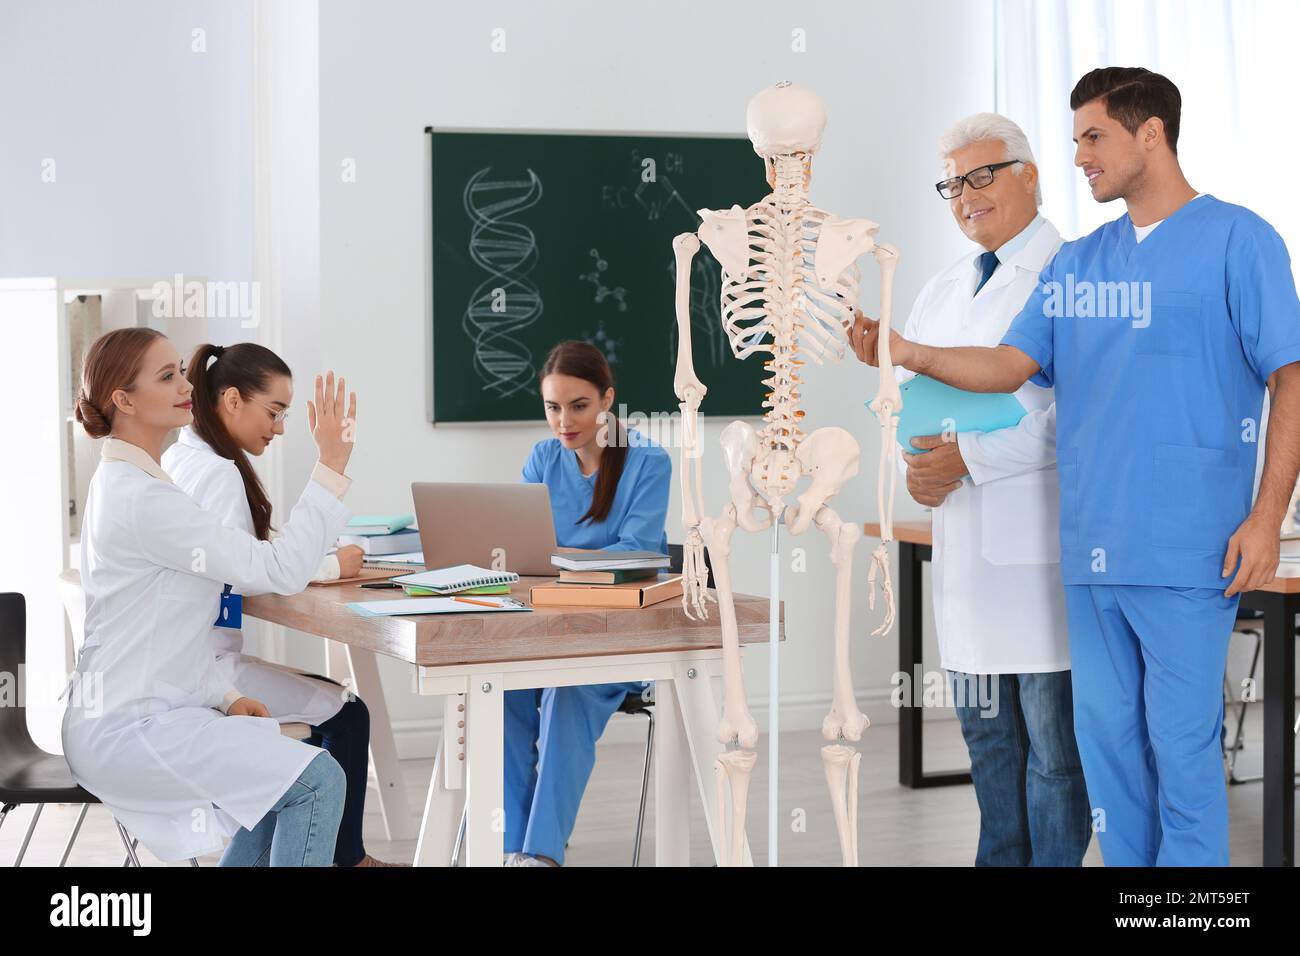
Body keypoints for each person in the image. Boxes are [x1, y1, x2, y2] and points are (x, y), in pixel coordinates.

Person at [853, 68, 1300, 865]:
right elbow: (1011, 364)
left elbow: (1289, 376)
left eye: (1093, 137)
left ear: (1150, 134)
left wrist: (1267, 517)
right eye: (1075, 142)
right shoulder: (1080, 263)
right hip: (1093, 553)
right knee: (1108, 756)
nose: (1081, 157)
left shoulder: (1241, 240)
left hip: (1190, 547)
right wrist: (906, 348)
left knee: (1182, 753)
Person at [63, 327, 358, 866]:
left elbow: (166, 631)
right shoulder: (145, 499)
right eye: (167, 376)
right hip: (128, 730)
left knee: (273, 782)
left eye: (181, 370)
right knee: (316, 779)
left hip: (135, 713)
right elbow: (278, 569)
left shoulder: (135, 483)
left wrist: (223, 696)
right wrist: (330, 466)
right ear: (124, 400)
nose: (186, 385)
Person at [893, 111, 1089, 865]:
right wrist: (916, 463)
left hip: (1040, 558)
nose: (966, 196)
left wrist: (971, 458)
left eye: (981, 176)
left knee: (1053, 754)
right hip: (966, 560)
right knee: (988, 745)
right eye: (952, 184)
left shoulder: (1072, 273)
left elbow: (1079, 413)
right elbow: (903, 400)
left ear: (1029, 175)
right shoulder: (941, 290)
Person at [162, 341, 399, 867]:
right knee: (347, 714)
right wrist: (332, 469)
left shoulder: (182, 458)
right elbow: (261, 575)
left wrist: (323, 563)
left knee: (289, 760)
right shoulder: (220, 475)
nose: (281, 427)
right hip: (204, 675)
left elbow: (246, 563)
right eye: (274, 411)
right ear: (230, 400)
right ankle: (349, 858)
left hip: (180, 667)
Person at [504, 341, 672, 866]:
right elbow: (522, 541)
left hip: (617, 634)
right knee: (502, 692)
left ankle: (542, 853)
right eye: (553, 406)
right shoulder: (542, 458)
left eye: (578, 405)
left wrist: (560, 557)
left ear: (607, 399)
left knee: (567, 691)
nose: (564, 420)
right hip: (548, 630)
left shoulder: (648, 461)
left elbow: (638, 551)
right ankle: (509, 844)